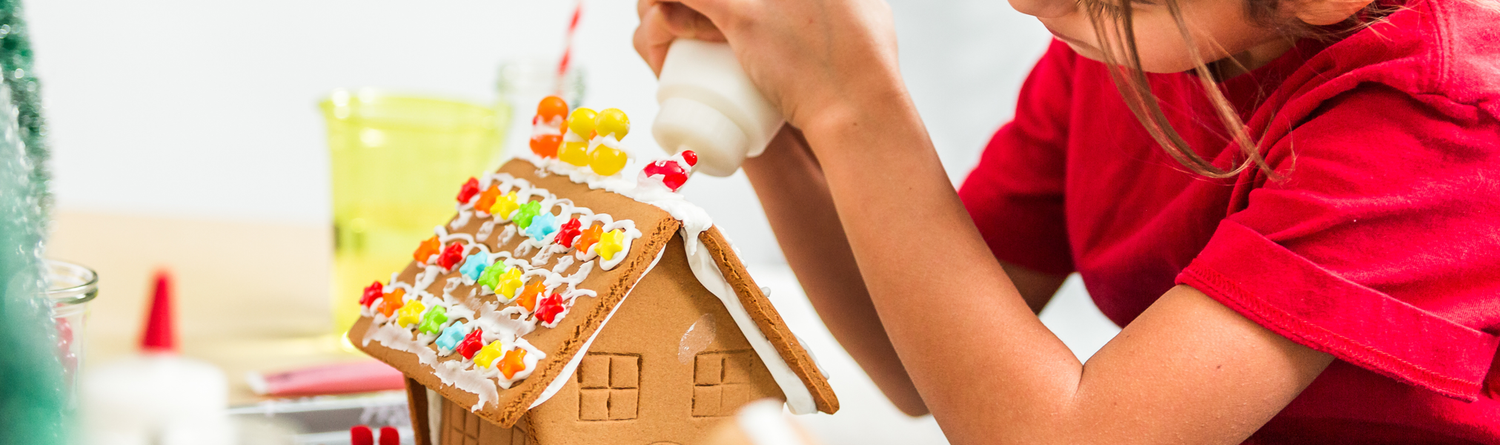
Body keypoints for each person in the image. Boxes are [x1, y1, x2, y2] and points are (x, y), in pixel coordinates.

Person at [635, 0, 1500, 442]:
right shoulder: (1127, 55)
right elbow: (920, 360)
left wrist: (852, 98)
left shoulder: (1430, 116)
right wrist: (771, 110)